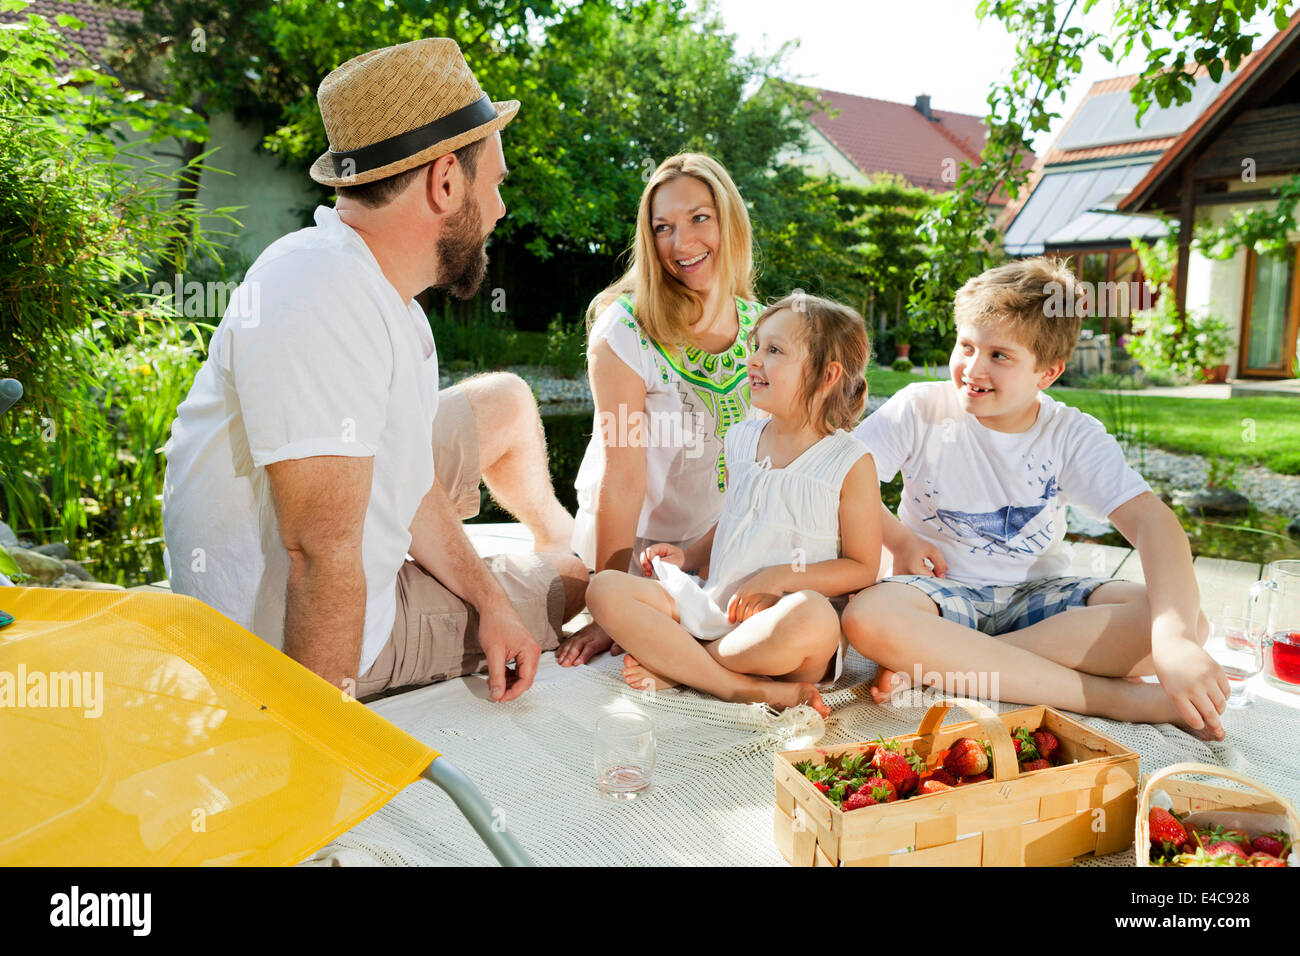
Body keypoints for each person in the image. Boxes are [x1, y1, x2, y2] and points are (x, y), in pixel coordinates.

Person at [162, 38, 587, 704]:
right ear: (446, 181)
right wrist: (317, 757)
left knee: (505, 400)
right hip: (299, 641)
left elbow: (406, 479)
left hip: (346, 557)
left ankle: (548, 540)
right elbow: (322, 556)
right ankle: (561, 559)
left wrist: (489, 599)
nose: (501, 209)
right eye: (495, 183)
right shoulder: (318, 290)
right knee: (581, 582)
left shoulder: (378, 291)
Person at [844, 257, 1229, 740]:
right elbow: (843, 481)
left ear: (1048, 372)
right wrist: (898, 540)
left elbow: (1154, 523)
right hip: (937, 596)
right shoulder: (919, 407)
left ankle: (941, 662)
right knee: (868, 617)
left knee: (1189, 620)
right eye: (966, 346)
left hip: (1039, 599)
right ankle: (1115, 699)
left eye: (999, 356)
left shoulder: (1070, 434)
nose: (973, 368)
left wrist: (1174, 642)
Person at [584, 295, 882, 714]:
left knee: (813, 617)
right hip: (716, 604)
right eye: (755, 347)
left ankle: (683, 665)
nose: (754, 360)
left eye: (774, 350)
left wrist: (777, 579)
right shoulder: (742, 437)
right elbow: (737, 518)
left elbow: (863, 568)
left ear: (827, 375)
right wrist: (689, 554)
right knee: (605, 588)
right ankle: (736, 686)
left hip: (780, 628)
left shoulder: (850, 462)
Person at [557, 153, 762, 668]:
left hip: (724, 544)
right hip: (639, 552)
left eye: (699, 218)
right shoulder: (624, 331)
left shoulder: (764, 328)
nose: (682, 243)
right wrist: (611, 601)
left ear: (729, 220)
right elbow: (621, 476)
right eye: (663, 227)